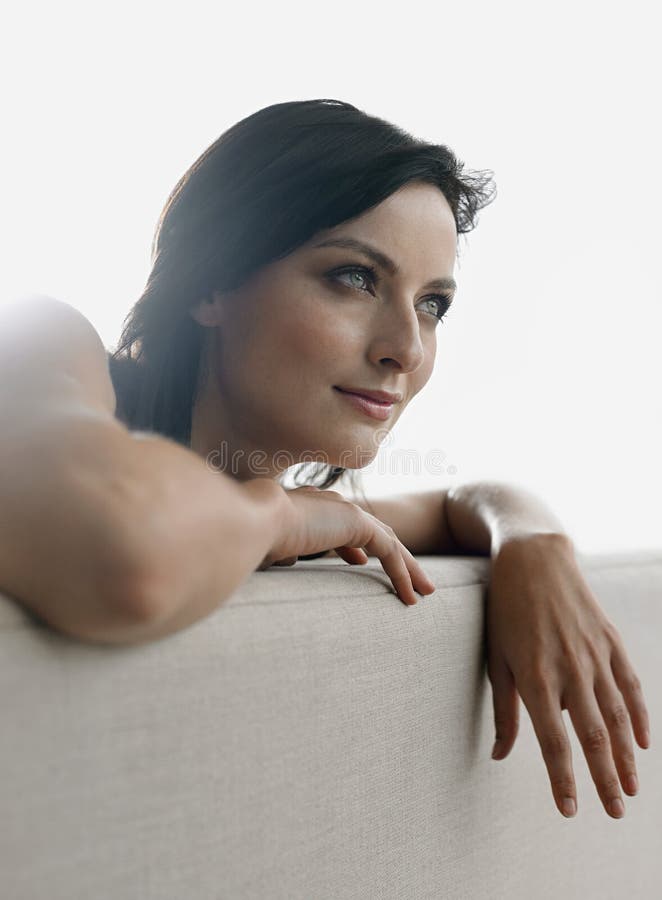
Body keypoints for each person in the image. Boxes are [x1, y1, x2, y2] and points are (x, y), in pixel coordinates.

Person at [0, 99, 649, 824]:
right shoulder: (36, 343)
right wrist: (280, 516)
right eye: (355, 277)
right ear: (211, 281)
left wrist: (536, 545)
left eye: (432, 304)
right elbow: (129, 559)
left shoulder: (275, 505)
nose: (406, 348)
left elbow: (459, 503)